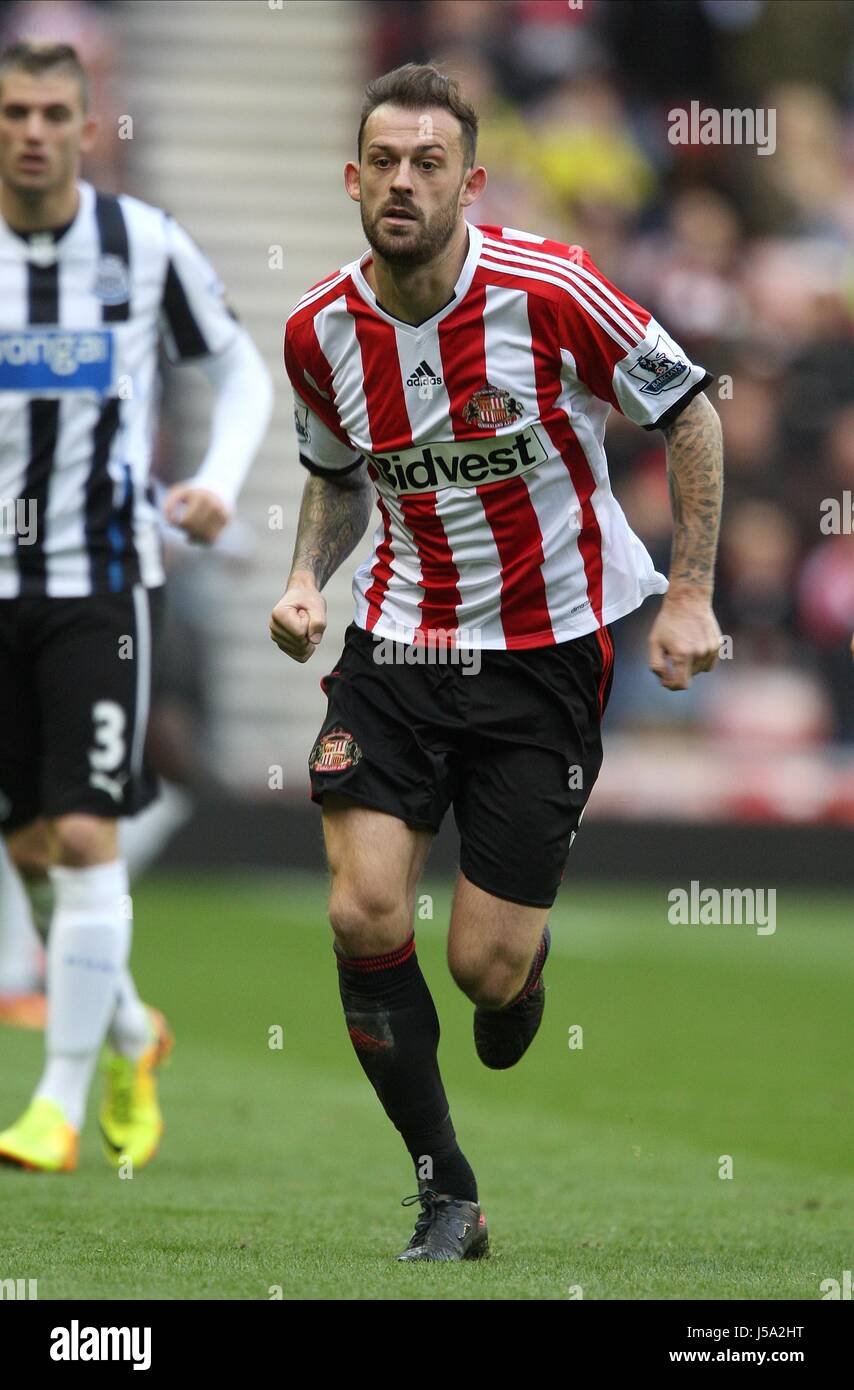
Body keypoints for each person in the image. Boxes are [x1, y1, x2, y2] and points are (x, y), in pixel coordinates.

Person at [271, 63, 723, 1261]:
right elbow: (333, 473)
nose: (403, 181)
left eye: (429, 163)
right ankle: (445, 1194)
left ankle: (517, 975)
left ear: (470, 182)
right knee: (364, 909)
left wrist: (685, 594)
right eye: (383, 161)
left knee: (481, 968)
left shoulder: (550, 287)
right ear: (352, 178)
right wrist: (309, 573)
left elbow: (686, 409)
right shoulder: (316, 330)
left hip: (543, 654)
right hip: (397, 644)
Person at [0, 41, 272, 1173]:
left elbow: (244, 369)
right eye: (14, 110)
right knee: (27, 848)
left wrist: (215, 479)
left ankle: (57, 1102)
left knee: (82, 832)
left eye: (54, 111)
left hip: (103, 580)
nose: (32, 130)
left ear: (85, 122)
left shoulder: (142, 243)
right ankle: (127, 1033)